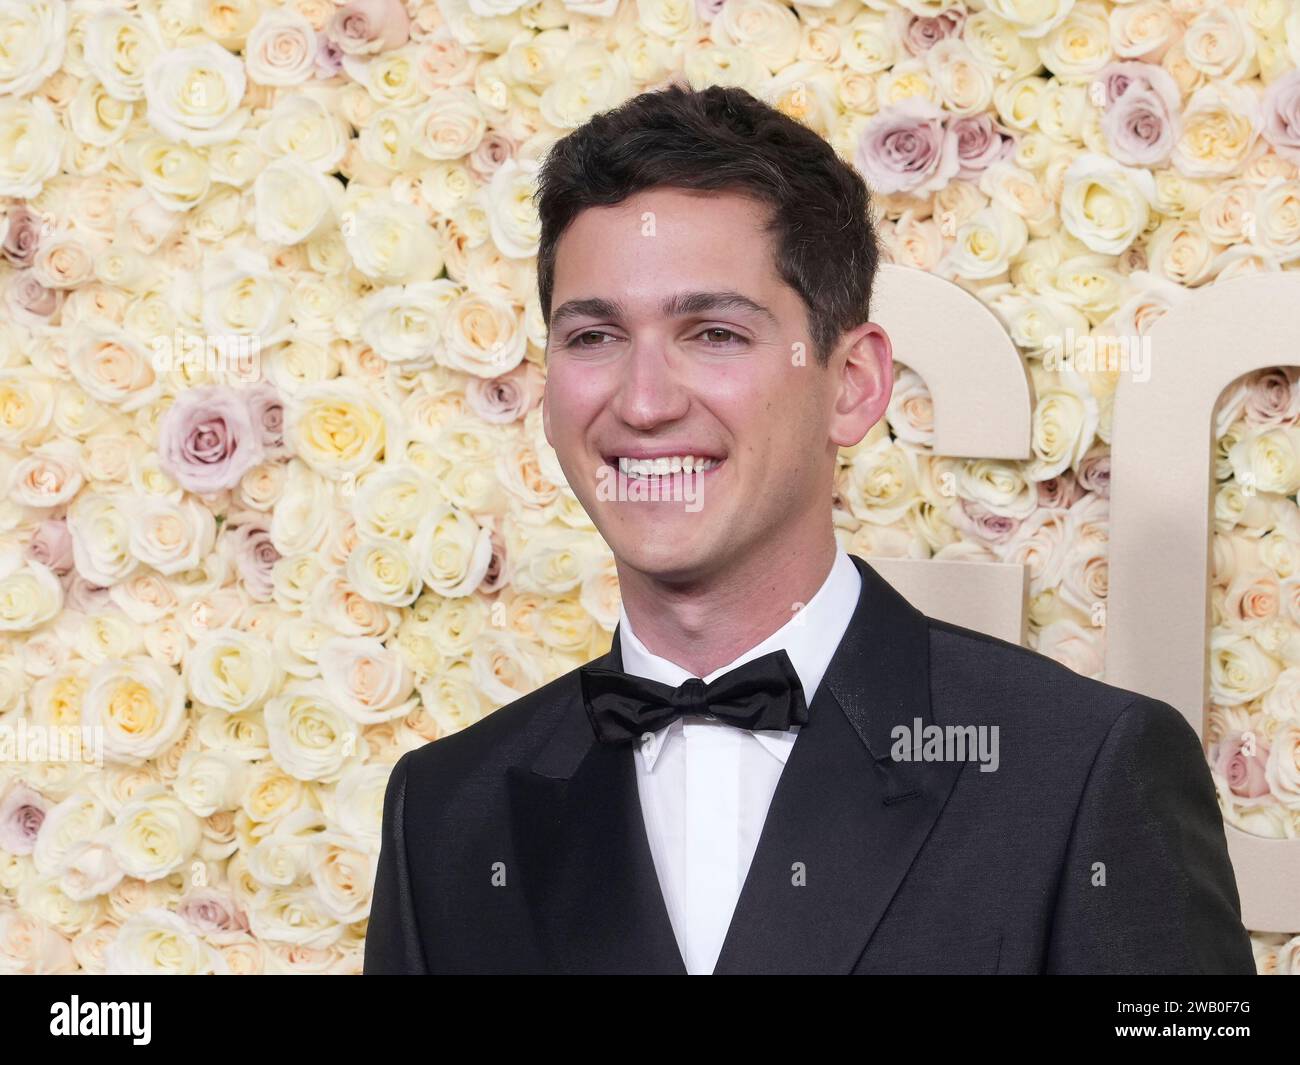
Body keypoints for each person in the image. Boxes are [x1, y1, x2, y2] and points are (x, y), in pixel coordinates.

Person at [363, 83, 1256, 975]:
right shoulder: (444, 812)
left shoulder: (1081, 770)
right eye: (594, 337)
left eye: (713, 333)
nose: (643, 402)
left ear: (854, 383)